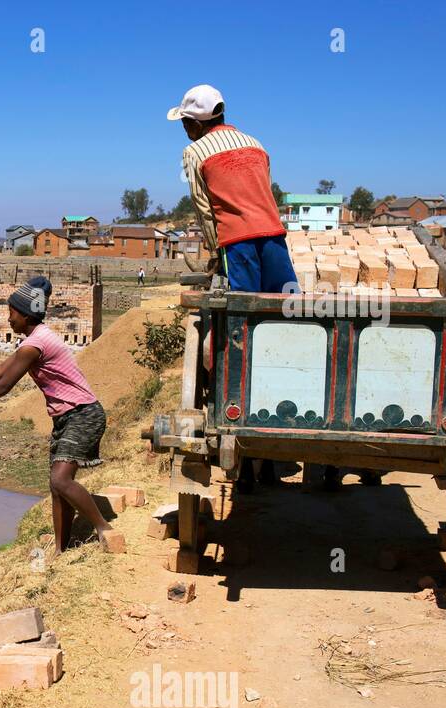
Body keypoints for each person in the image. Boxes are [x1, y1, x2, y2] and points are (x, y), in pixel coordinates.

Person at [170, 83, 297, 492]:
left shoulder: (195, 152)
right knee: (284, 315)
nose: (184, 130)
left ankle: (240, 399)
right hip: (274, 237)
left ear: (194, 123)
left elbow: (205, 208)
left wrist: (214, 248)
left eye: (185, 122)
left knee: (241, 324)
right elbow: (266, 193)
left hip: (237, 241)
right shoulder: (256, 144)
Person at [0, 276, 113, 556]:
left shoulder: (35, 344)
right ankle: (60, 549)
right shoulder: (33, 340)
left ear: (26, 314)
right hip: (66, 417)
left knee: (60, 481)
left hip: (83, 415)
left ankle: (104, 529)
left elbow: (4, 385)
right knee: (57, 487)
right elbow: (2, 368)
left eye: (11, 313)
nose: (8, 319)